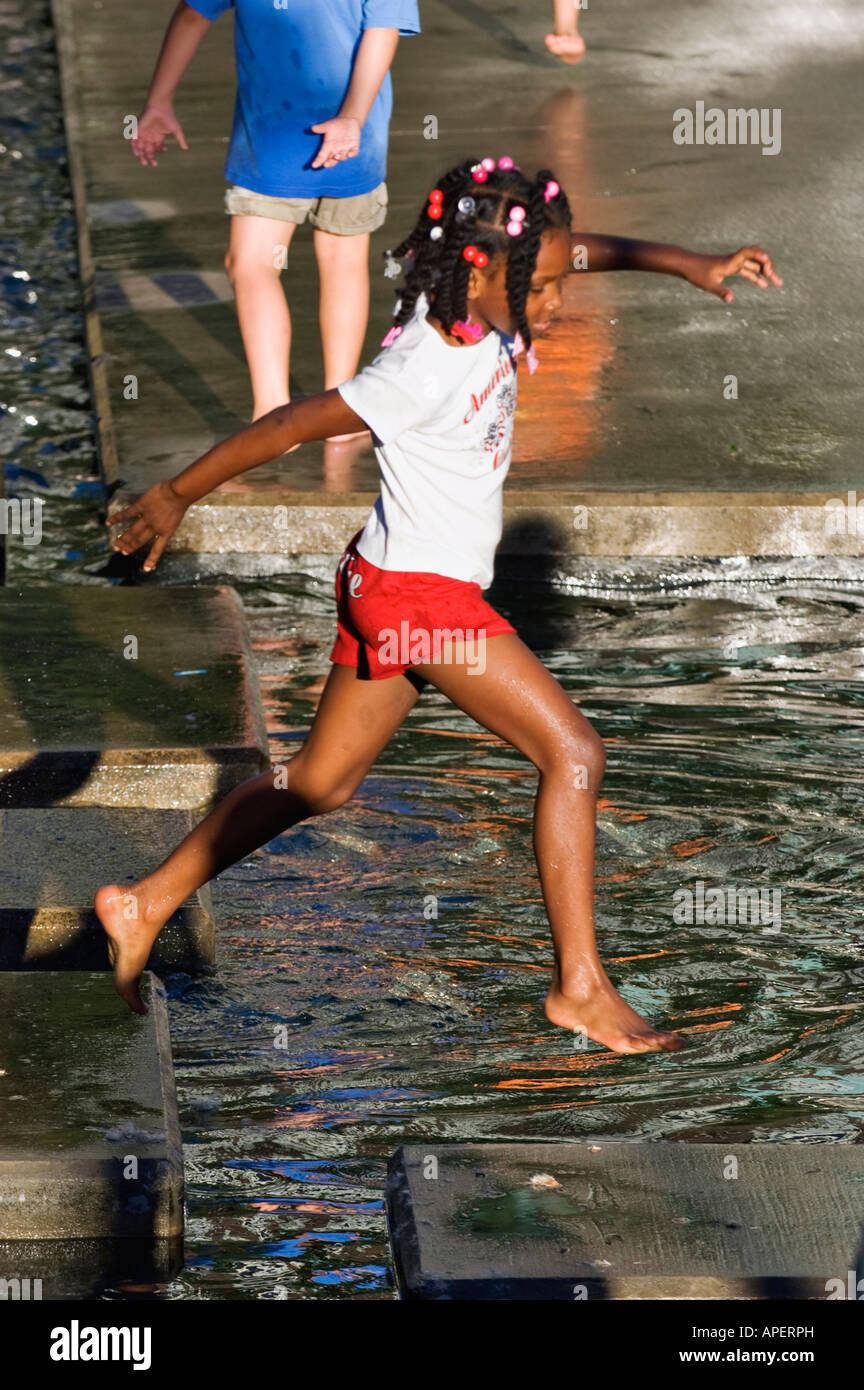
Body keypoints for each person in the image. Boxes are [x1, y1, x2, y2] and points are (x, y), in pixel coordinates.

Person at [98, 157, 782, 1052]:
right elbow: (290, 425)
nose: (556, 304)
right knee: (574, 752)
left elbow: (579, 252)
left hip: (383, 579)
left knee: (319, 782)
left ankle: (140, 901)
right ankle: (580, 988)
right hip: (415, 601)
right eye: (540, 288)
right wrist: (179, 495)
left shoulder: (487, 291)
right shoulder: (419, 366)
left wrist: (686, 263)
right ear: (482, 270)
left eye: (558, 279)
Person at [129, 0, 420, 436]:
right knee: (340, 261)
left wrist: (159, 100)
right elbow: (383, 29)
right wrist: (352, 118)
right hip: (347, 137)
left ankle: (273, 418)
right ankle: (337, 414)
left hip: (273, 139)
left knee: (253, 266)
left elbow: (192, 14)